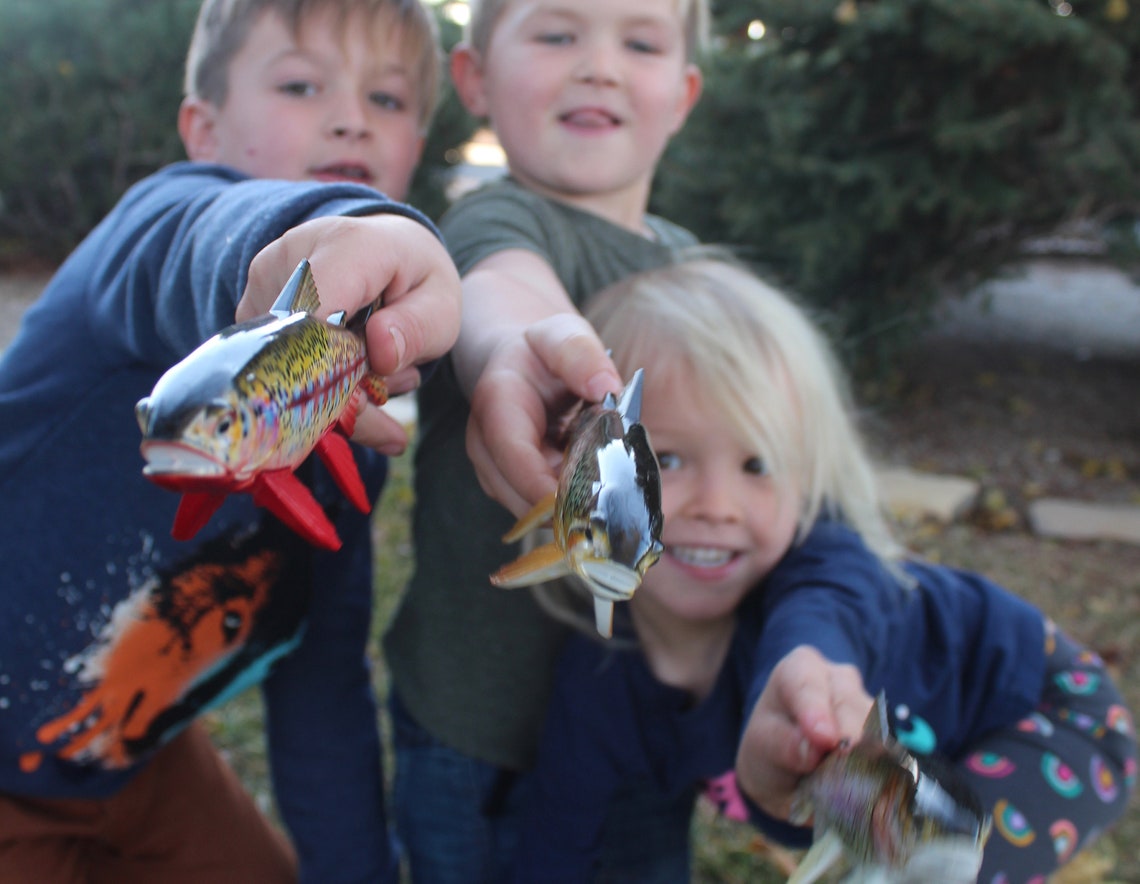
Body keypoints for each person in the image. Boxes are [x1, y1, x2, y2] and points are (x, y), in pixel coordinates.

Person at [0, 1, 459, 882]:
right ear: (201, 130)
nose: (351, 116)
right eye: (299, 84)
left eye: (390, 100)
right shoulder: (154, 232)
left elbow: (320, 686)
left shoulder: (343, 419)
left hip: (138, 763)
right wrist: (335, 228)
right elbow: (205, 238)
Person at [509, 254, 1137, 882]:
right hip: (902, 784)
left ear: (807, 481)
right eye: (666, 459)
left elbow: (824, 612)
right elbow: (563, 823)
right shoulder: (603, 676)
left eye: (758, 466)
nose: (717, 507)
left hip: (1050, 708)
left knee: (933, 867)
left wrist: (809, 667)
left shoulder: (824, 568)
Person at [381, 0, 708, 878]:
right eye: (558, 33)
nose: (597, 64)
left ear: (682, 94)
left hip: (639, 729)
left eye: (638, 41)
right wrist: (517, 354)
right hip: (467, 728)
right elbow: (500, 290)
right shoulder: (495, 223)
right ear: (474, 78)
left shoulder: (703, 275)